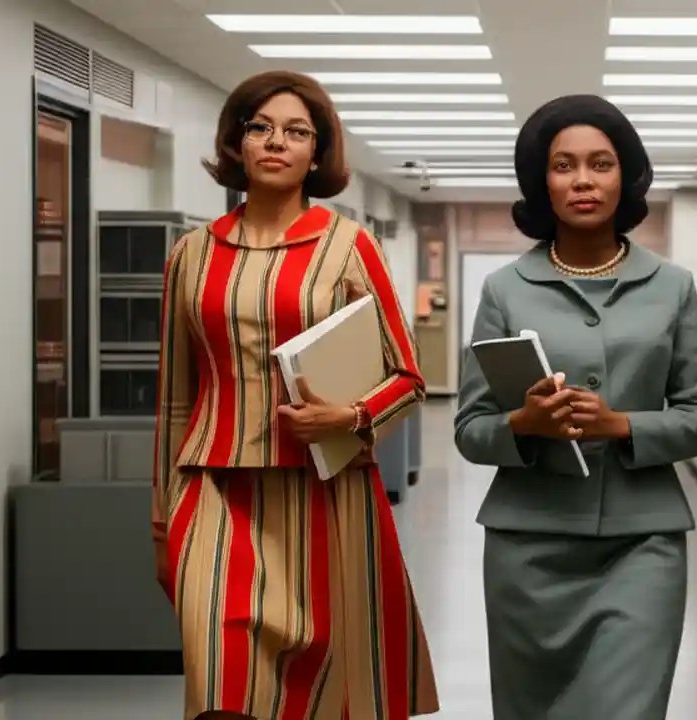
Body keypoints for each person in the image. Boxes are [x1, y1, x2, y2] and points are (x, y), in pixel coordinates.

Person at [151, 70, 439, 720]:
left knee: (324, 691)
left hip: (325, 492)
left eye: (296, 131)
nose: (276, 141)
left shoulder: (350, 247)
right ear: (236, 144)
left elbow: (407, 376)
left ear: (317, 153)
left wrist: (350, 416)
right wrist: (160, 522)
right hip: (212, 489)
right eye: (260, 127)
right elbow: (173, 400)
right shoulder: (190, 254)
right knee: (219, 682)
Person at [453, 94, 697, 719]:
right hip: (528, 545)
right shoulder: (504, 290)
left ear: (625, 177)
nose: (582, 180)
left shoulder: (672, 287)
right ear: (541, 181)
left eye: (600, 164)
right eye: (563, 165)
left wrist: (621, 425)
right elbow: (470, 428)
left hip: (642, 542)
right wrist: (525, 424)